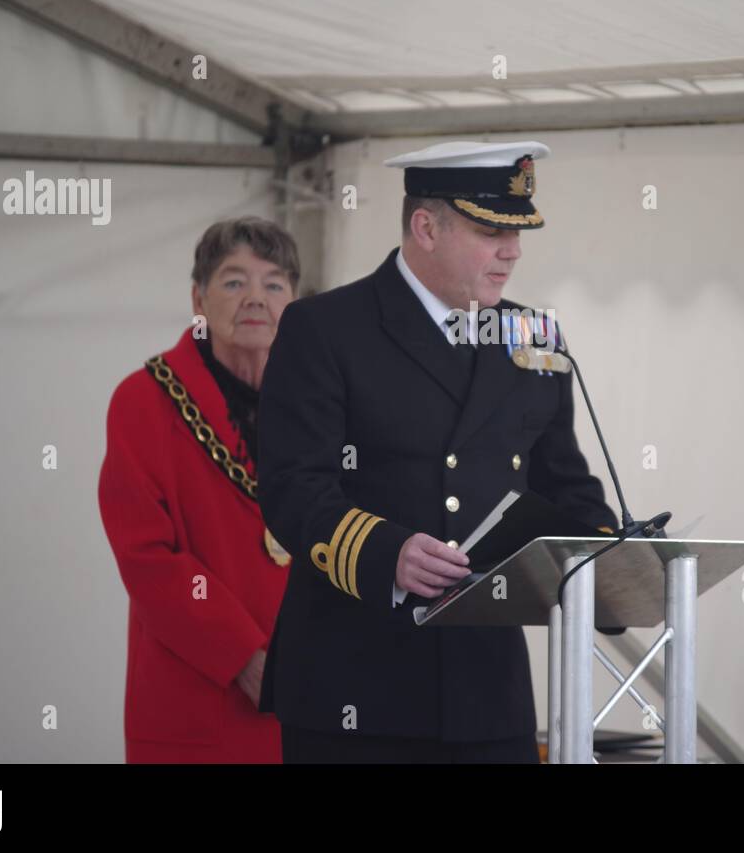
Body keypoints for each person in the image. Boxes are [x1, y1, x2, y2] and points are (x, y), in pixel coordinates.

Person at [257, 140, 617, 763]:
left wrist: (623, 563)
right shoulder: (326, 328)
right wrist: (384, 551)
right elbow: (294, 488)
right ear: (425, 226)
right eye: (489, 231)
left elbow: (564, 486)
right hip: (356, 687)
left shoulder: (532, 333)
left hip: (487, 694)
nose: (512, 251)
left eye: (519, 233)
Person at [98, 216, 299, 762]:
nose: (256, 298)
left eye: (274, 284)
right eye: (234, 282)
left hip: (309, 710)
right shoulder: (142, 401)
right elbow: (149, 558)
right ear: (199, 299)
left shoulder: (319, 404)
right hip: (195, 706)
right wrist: (242, 656)